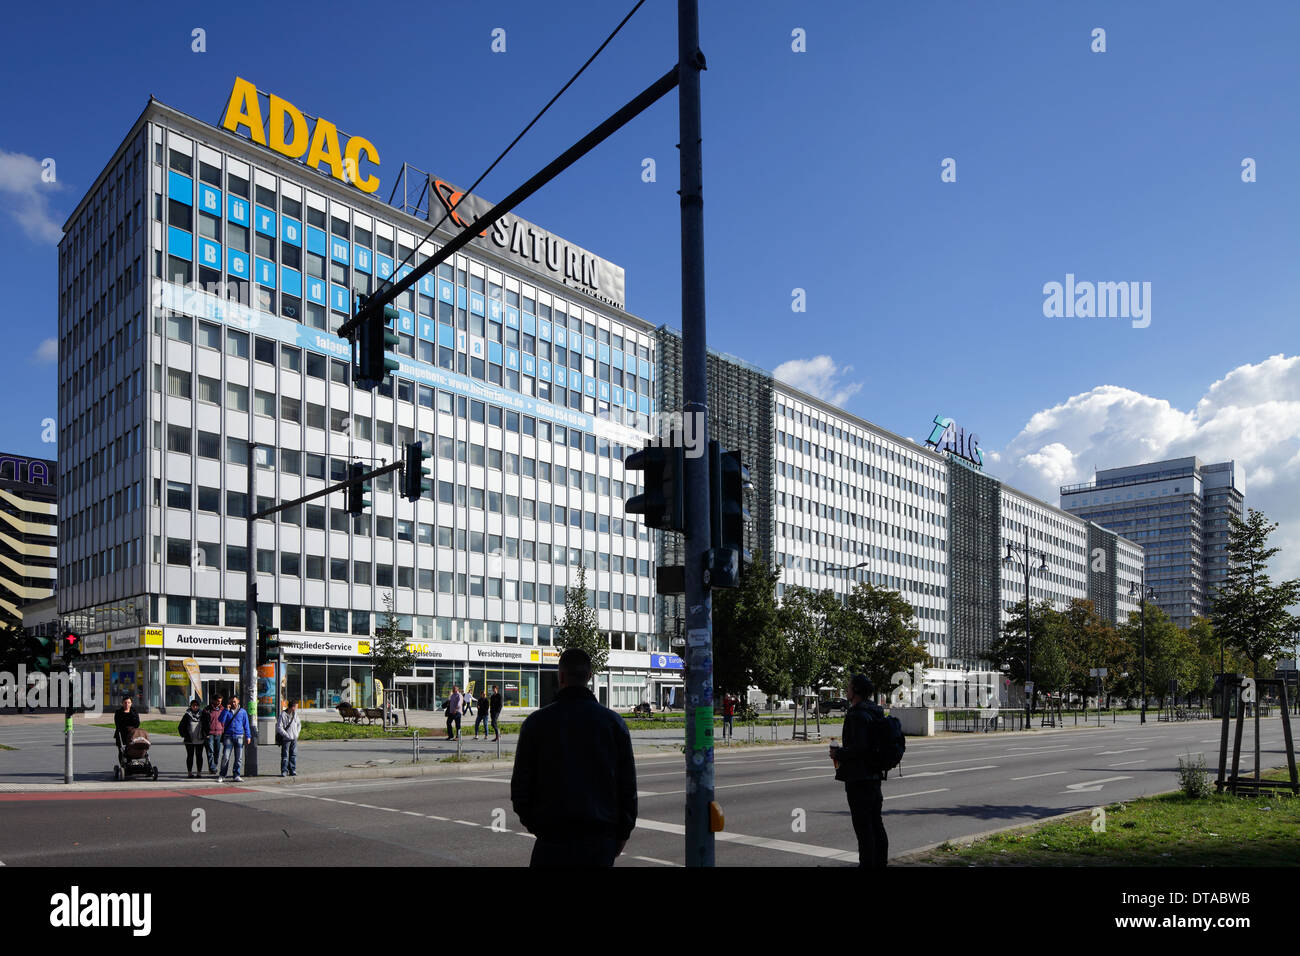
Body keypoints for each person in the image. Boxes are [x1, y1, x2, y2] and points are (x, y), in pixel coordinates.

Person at [511, 649, 637, 867]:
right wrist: (621, 834)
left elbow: (520, 789)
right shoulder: (613, 723)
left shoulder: (536, 723)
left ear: (560, 676)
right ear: (589, 677)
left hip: (552, 842)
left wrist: (540, 827)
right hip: (599, 842)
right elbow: (627, 789)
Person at [829, 674, 889, 867]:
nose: (846, 691)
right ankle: (880, 863)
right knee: (876, 823)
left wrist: (839, 753)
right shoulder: (875, 711)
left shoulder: (857, 714)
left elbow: (859, 748)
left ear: (856, 692)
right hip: (874, 775)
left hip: (858, 778)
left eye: (848, 688)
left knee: (863, 828)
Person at [217, 695, 252, 783]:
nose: (233, 703)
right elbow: (221, 720)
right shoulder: (226, 711)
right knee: (225, 756)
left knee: (238, 757)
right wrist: (226, 710)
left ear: (238, 701)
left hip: (239, 736)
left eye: (234, 701)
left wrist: (248, 736)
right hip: (228, 736)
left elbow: (246, 724)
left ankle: (236, 775)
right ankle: (222, 774)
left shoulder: (242, 712)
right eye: (231, 702)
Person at [178, 698, 207, 777]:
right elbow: (180, 727)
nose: (195, 707)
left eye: (196, 706)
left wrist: (205, 734)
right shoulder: (187, 715)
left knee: (199, 756)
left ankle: (199, 772)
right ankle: (189, 772)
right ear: (190, 706)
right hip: (189, 740)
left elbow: (207, 725)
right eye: (193, 706)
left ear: (198, 706)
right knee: (190, 756)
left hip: (199, 739)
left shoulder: (203, 714)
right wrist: (184, 735)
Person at [277, 700, 301, 777]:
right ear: (292, 707)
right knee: (285, 756)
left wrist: (297, 734)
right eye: (296, 706)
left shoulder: (295, 714)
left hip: (294, 738)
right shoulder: (283, 715)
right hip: (286, 739)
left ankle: (292, 770)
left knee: (293, 755)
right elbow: (279, 727)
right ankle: (284, 771)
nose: (297, 708)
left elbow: (299, 724)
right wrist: (287, 735)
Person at [201, 695, 225, 773]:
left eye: (220, 701)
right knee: (210, 751)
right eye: (218, 701)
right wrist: (205, 733)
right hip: (209, 733)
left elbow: (224, 721)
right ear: (213, 700)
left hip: (219, 733)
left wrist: (223, 731)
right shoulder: (207, 710)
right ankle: (212, 768)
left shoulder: (223, 709)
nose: (219, 703)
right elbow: (203, 722)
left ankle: (214, 765)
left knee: (217, 751)